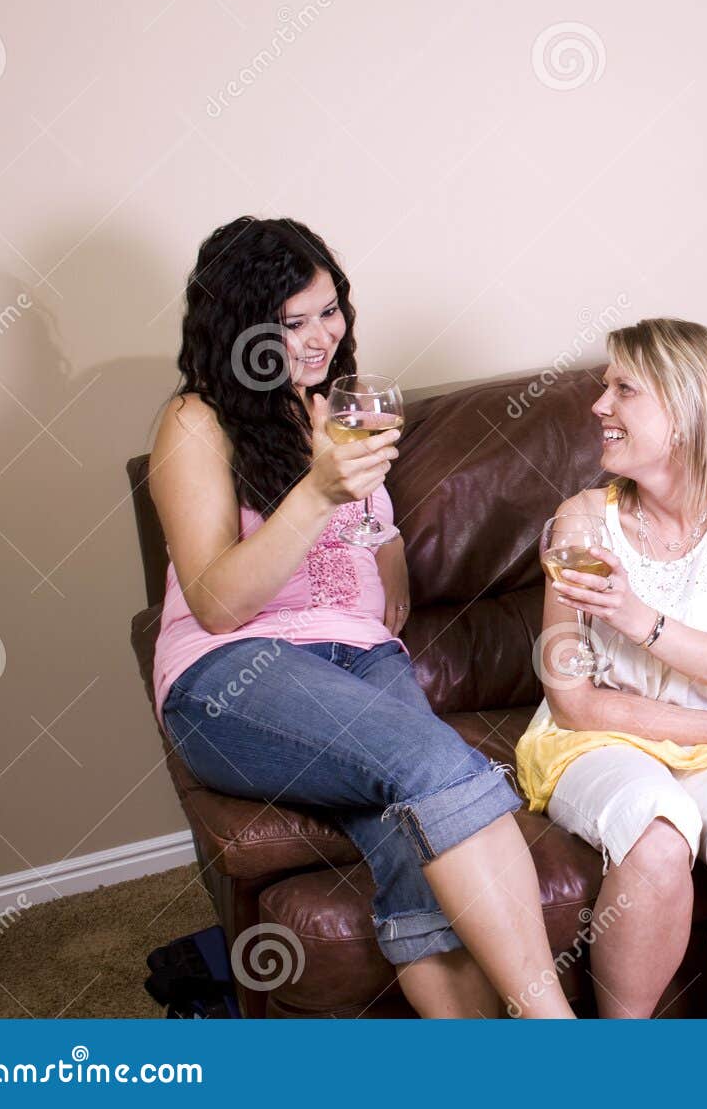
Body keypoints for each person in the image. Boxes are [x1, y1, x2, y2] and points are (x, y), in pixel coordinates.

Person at [149, 216, 571, 1018]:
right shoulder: (196, 421)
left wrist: (374, 527)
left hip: (363, 656)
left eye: (330, 309)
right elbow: (217, 600)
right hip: (236, 667)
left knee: (415, 849)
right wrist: (318, 491)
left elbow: (391, 589)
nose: (321, 335)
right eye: (294, 319)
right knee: (439, 763)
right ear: (239, 324)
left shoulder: (334, 409)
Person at [515, 318, 707, 1018]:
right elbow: (572, 703)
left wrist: (637, 616)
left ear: (683, 412)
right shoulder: (582, 522)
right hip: (608, 736)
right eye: (603, 387)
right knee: (656, 836)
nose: (599, 405)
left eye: (624, 388)